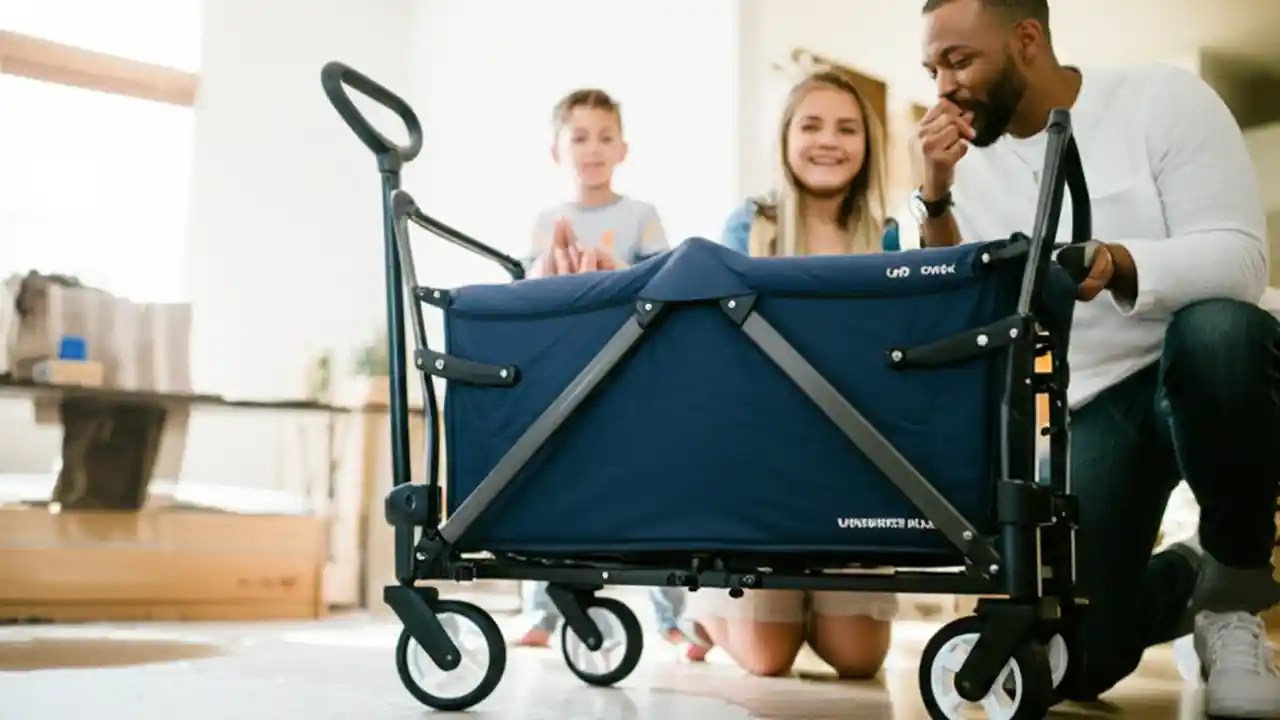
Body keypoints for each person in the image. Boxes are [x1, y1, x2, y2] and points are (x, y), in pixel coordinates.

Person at [913, 0, 1279, 715]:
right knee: (1078, 664)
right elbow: (950, 312)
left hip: (1211, 366)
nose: (943, 88)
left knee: (1216, 334)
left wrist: (1117, 261)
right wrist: (933, 195)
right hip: (1096, 403)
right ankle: (1193, 577)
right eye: (931, 69)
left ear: (1027, 41)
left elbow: (1241, 261)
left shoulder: (1161, 100)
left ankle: (1233, 597)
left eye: (959, 61)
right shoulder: (958, 165)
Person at [677, 67, 902, 679]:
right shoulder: (751, 224)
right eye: (812, 125)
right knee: (768, 660)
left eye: (846, 128)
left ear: (867, 145)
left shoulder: (884, 236)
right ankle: (700, 609)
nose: (828, 141)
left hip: (848, 462)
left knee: (859, 661)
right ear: (785, 138)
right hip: (762, 463)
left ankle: (792, 600)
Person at [514, 86, 688, 648]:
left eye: (605, 136)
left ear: (623, 149)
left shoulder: (641, 216)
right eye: (580, 136)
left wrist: (614, 272)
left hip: (631, 377)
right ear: (556, 151)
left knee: (656, 486)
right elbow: (525, 295)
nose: (593, 148)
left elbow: (667, 283)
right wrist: (549, 270)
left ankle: (670, 617)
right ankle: (541, 611)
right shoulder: (545, 221)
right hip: (563, 376)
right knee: (546, 484)